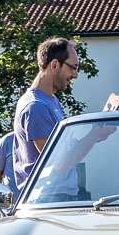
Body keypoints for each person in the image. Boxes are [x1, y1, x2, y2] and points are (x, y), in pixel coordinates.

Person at [12, 38, 77, 186]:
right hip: (46, 198)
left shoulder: (51, 100)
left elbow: (67, 149)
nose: (75, 75)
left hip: (55, 196)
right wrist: (95, 134)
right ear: (54, 65)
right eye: (73, 67)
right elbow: (59, 163)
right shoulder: (36, 106)